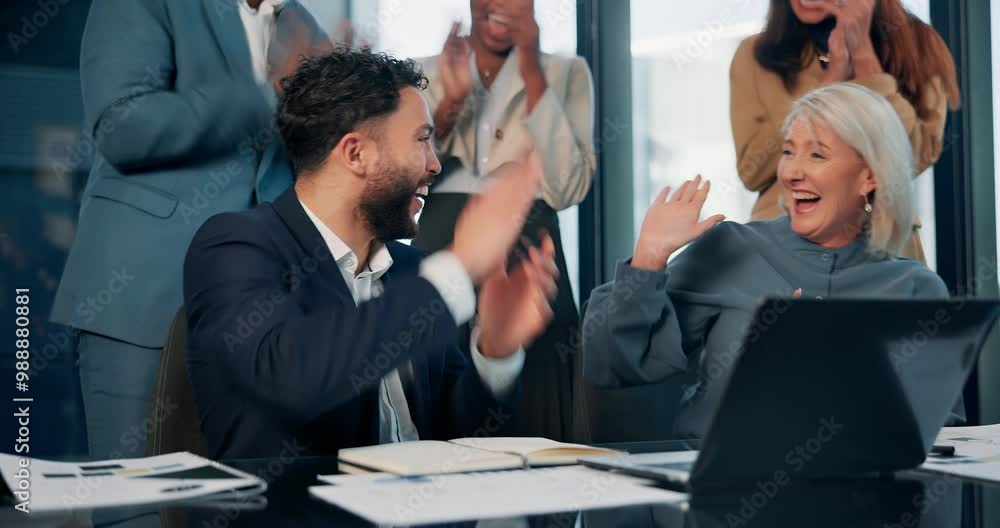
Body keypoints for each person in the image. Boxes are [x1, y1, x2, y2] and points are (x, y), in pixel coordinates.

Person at [184, 48, 560, 458]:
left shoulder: (412, 271)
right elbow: (290, 378)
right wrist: (460, 265)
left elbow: (462, 440)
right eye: (422, 140)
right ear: (355, 153)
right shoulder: (236, 246)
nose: (435, 165)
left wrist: (495, 351)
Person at [49, 0, 334, 461]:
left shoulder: (302, 24)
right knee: (138, 498)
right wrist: (265, 93)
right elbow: (122, 127)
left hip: (265, 314)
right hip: (144, 294)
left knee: (243, 500)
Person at [584, 83, 951, 439]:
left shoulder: (916, 288)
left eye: (817, 154)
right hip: (720, 483)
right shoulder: (731, 248)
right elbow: (612, 363)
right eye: (789, 152)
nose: (791, 173)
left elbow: (935, 427)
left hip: (862, 490)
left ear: (869, 176)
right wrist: (649, 256)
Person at [414, 0, 597, 442]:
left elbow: (567, 186)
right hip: (440, 243)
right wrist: (451, 105)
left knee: (536, 400)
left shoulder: (567, 73)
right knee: (436, 395)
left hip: (528, 247)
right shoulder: (420, 71)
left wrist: (533, 70)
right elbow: (404, 171)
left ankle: (539, 509)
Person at [730, 0, 960, 261]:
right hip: (784, 246)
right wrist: (832, 80)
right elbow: (752, 171)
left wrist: (862, 53)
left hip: (885, 243)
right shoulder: (756, 53)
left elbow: (913, 156)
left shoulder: (920, 45)